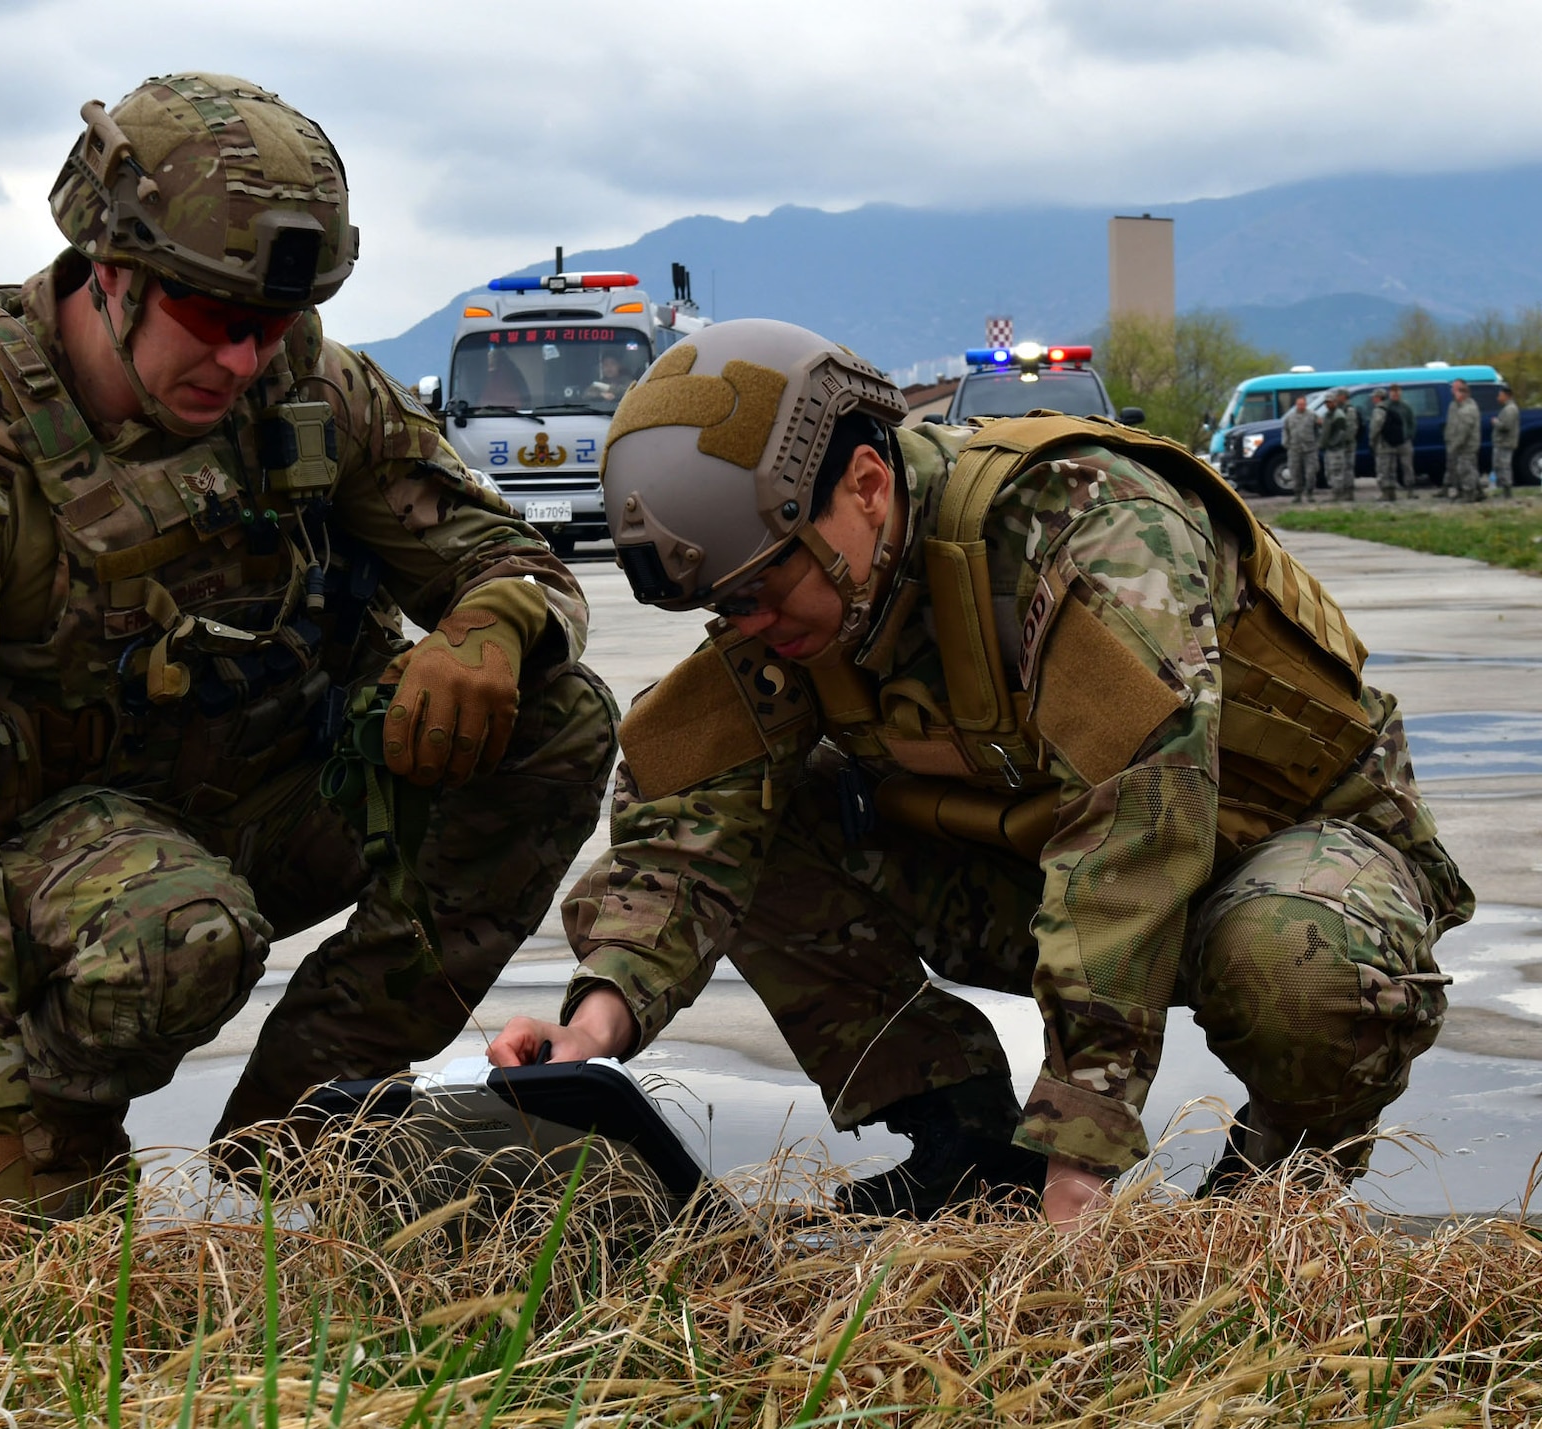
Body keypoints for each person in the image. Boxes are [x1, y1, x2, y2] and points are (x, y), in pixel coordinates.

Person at [0, 74, 616, 1230]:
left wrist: (493, 624)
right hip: (47, 842)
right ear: (113, 273)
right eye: (215, 322)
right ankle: (53, 1142)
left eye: (271, 326)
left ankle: (309, 1115)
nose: (243, 361)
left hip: (253, 786)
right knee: (176, 933)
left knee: (555, 715)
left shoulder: (307, 384)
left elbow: (514, 557)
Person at [488, 319, 1470, 1229]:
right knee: (767, 816)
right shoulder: (814, 586)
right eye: (721, 607)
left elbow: (1133, 832)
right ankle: (965, 1149)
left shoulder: (1086, 529)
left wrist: (1079, 1157)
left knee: (1296, 968)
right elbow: (688, 816)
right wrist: (596, 1018)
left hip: (1282, 859)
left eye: (759, 589)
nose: (749, 627)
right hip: (1062, 862)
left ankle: (1267, 1194)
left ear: (865, 486)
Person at [1371, 385, 1416, 500]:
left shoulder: (1406, 407)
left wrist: (1408, 435)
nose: (1395, 395)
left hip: (1403, 441)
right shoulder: (1385, 407)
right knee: (1387, 467)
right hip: (1387, 441)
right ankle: (1389, 492)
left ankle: (1410, 490)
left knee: (1407, 467)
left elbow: (1412, 422)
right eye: (1393, 393)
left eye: (1397, 392)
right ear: (1389, 394)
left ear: (1400, 393)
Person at [1443, 379, 1482, 502]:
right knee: (1468, 469)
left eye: (1456, 391)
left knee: (1465, 470)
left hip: (1466, 445)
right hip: (1466, 444)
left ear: (1462, 394)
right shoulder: (1461, 406)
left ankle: (1469, 494)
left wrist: (1454, 445)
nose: (1453, 393)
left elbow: (1463, 432)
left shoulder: (1466, 410)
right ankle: (1476, 492)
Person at [1320, 387, 1358, 502]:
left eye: (1338, 395)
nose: (1336, 397)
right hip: (1340, 446)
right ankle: (1342, 493)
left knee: (1346, 470)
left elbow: (1350, 429)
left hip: (1346, 446)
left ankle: (1348, 493)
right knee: (1339, 469)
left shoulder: (1348, 410)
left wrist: (1340, 441)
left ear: (1343, 396)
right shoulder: (1336, 411)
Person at [1282, 393, 1320, 502]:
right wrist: (1286, 443)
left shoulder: (1312, 415)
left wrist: (1317, 444)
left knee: (1311, 473)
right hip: (1294, 449)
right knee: (1295, 473)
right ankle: (1297, 494)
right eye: (1299, 404)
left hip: (1310, 449)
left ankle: (1310, 493)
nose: (1301, 406)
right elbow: (1285, 431)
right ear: (1296, 405)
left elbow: (1319, 430)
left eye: (1303, 404)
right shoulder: (1289, 417)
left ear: (1306, 405)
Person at [1491, 387, 1521, 498]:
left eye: (1500, 395)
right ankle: (1504, 490)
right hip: (1503, 443)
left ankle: (1507, 491)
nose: (1498, 398)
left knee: (1504, 466)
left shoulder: (1509, 409)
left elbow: (1506, 426)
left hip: (1505, 443)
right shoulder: (1508, 408)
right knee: (1500, 466)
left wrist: (1496, 422)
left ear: (1506, 395)